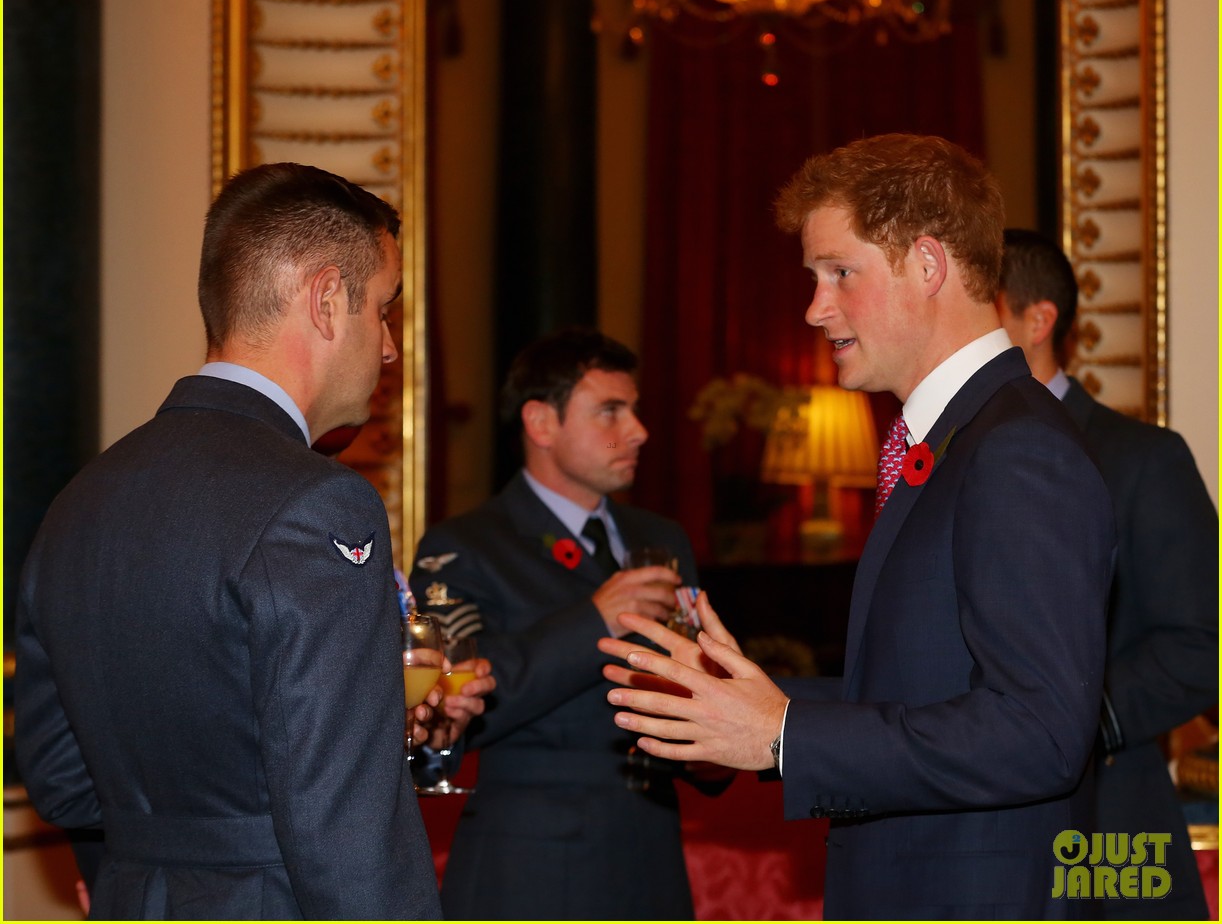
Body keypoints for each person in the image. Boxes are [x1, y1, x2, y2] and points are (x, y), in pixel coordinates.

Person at [600, 134, 1117, 919]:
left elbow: (1041, 731)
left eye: (840, 272)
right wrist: (744, 703)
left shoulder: (1015, 450)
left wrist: (783, 737)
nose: (815, 307)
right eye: (814, 278)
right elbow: (923, 689)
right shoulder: (951, 440)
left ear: (929, 264)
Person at [14, 162, 468, 919]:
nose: (388, 347)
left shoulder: (78, 500)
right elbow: (345, 832)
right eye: (384, 310)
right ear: (327, 300)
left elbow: (61, 777)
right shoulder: (320, 503)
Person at [408, 326, 724, 920]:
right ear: (541, 424)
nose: (637, 431)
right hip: (531, 872)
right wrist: (595, 618)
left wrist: (714, 744)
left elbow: (693, 677)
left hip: (652, 862)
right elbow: (458, 696)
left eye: (634, 410)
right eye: (610, 411)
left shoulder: (661, 539)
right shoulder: (466, 546)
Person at [998, 227, 1217, 920]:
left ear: (1039, 321)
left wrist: (1073, 718)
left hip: (1109, 832)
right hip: (970, 843)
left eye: (982, 313)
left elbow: (1201, 645)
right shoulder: (933, 462)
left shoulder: (1141, 459)